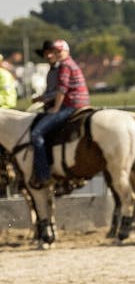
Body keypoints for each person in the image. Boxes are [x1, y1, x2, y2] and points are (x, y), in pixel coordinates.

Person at [29, 39, 90, 189]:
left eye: (57, 51)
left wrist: (55, 107)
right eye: (52, 52)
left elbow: (61, 90)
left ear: (66, 52)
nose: (54, 54)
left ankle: (43, 175)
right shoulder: (67, 64)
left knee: (36, 133)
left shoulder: (64, 66)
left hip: (70, 105)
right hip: (79, 102)